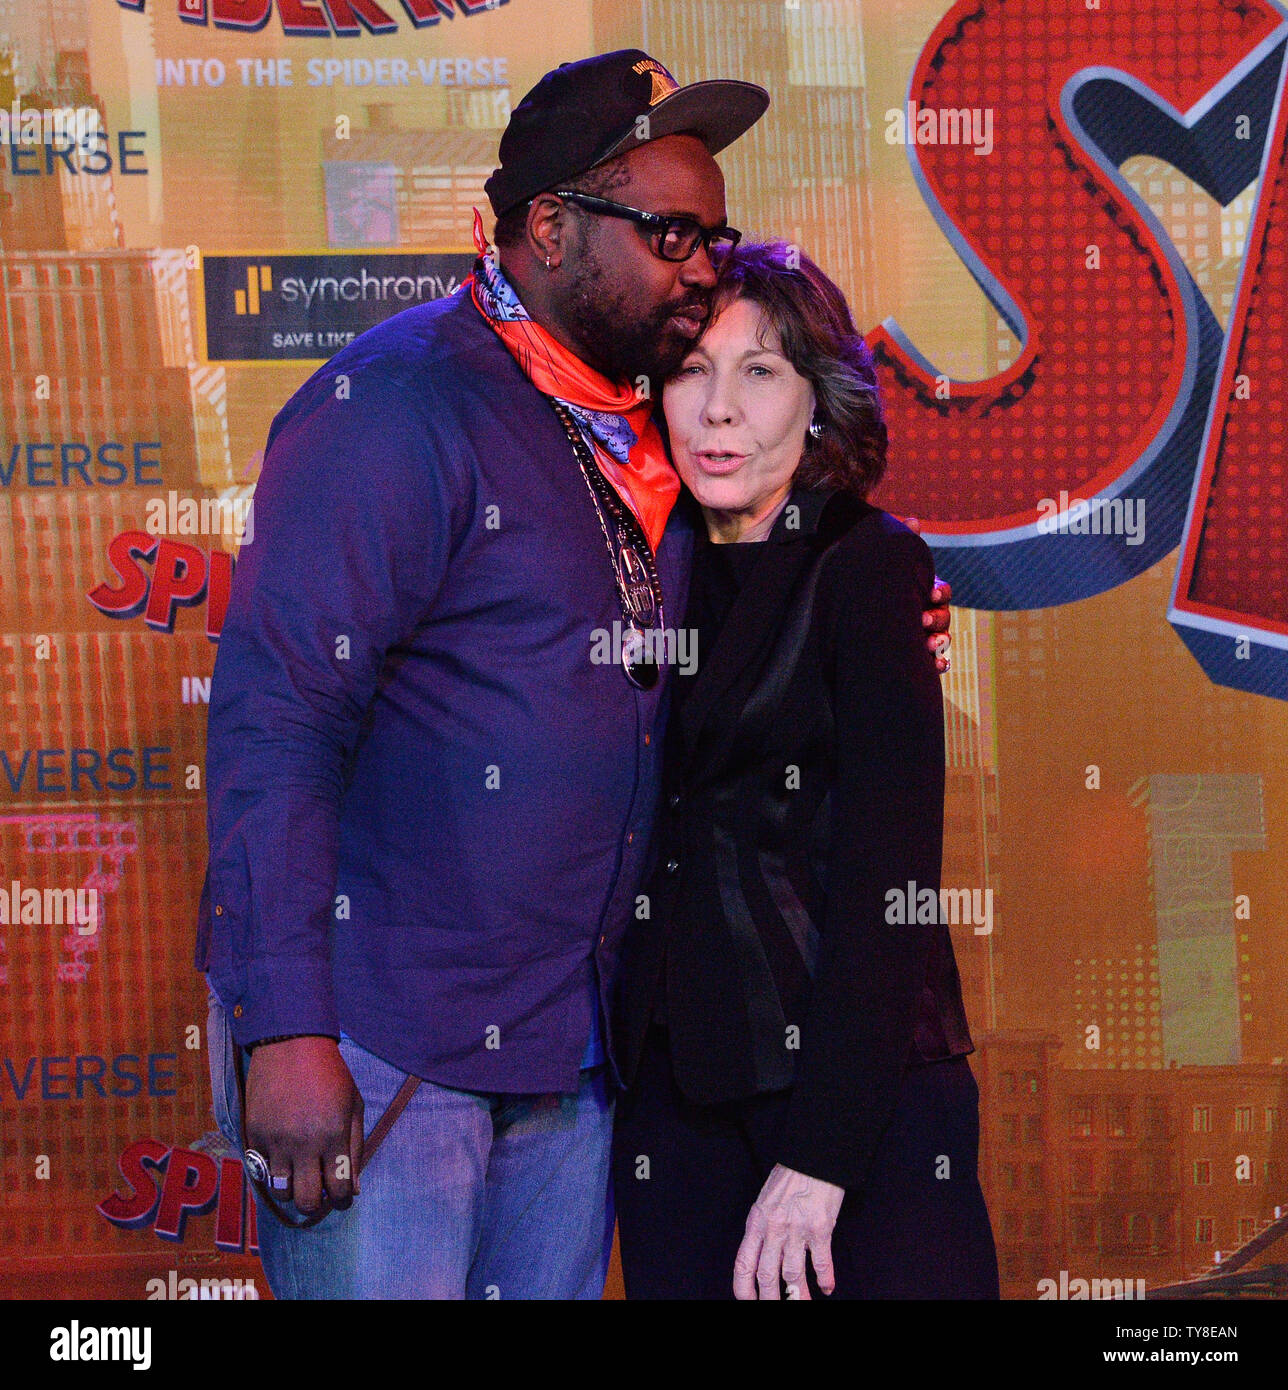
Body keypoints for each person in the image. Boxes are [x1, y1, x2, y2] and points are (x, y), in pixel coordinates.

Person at [198, 50, 952, 1300]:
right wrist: (285, 1028)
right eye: (668, 231)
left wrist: (880, 613)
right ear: (548, 228)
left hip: (580, 1067)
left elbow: (773, 593)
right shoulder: (398, 407)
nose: (701, 266)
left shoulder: (648, 431)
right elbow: (279, 721)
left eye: (715, 233)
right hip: (392, 1054)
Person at [611, 241, 996, 1300]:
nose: (718, 410)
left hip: (853, 1097)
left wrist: (822, 1155)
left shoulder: (868, 568)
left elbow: (890, 885)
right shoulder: (638, 571)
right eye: (693, 369)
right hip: (671, 1102)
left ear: (817, 402)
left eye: (760, 372)